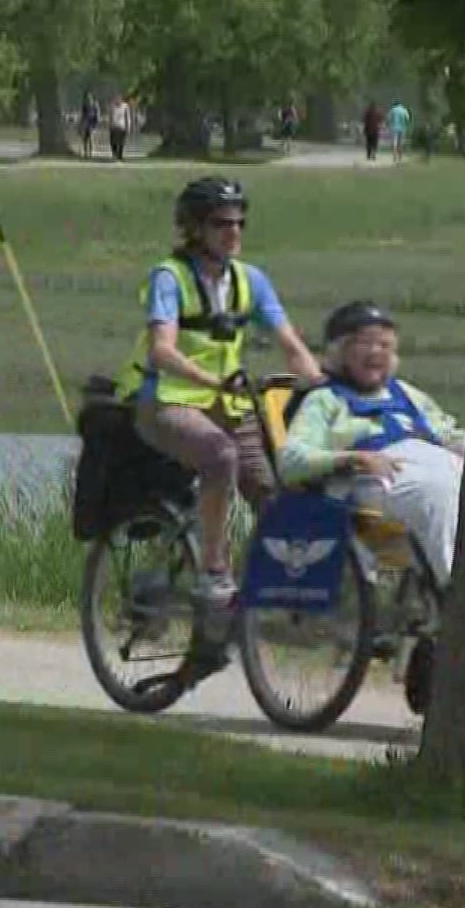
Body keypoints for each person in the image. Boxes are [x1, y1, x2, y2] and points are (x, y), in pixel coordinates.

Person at [112, 177, 324, 610]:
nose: (234, 233)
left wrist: (323, 387)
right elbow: (162, 350)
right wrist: (210, 382)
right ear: (193, 229)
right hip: (165, 401)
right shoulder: (169, 278)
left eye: (240, 222)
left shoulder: (251, 281)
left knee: (271, 490)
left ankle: (283, 594)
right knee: (219, 456)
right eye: (220, 223)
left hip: (228, 404)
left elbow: (292, 346)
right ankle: (213, 572)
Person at [276, 301, 465, 587]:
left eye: (385, 345)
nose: (376, 351)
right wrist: (353, 458)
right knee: (438, 492)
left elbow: (448, 433)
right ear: (339, 352)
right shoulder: (325, 400)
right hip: (372, 479)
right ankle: (457, 592)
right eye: (364, 343)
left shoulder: (405, 392)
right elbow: (291, 461)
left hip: (435, 463)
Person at [108, 93, 132, 162]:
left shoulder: (125, 106)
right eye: (116, 99)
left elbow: (127, 117)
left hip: (122, 126)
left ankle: (120, 155)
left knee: (121, 142)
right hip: (114, 126)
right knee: (113, 141)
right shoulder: (112, 106)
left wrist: (128, 126)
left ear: (121, 99)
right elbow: (110, 116)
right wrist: (109, 125)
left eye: (118, 99)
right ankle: (114, 154)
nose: (117, 100)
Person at [79, 92, 101, 159]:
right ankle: (85, 153)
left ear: (91, 98)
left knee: (91, 138)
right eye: (87, 98)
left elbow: (97, 115)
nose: (88, 99)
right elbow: (83, 115)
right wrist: (81, 123)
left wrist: (96, 123)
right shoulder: (85, 106)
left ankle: (91, 153)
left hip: (92, 123)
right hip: (86, 123)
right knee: (85, 139)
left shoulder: (95, 105)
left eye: (89, 97)